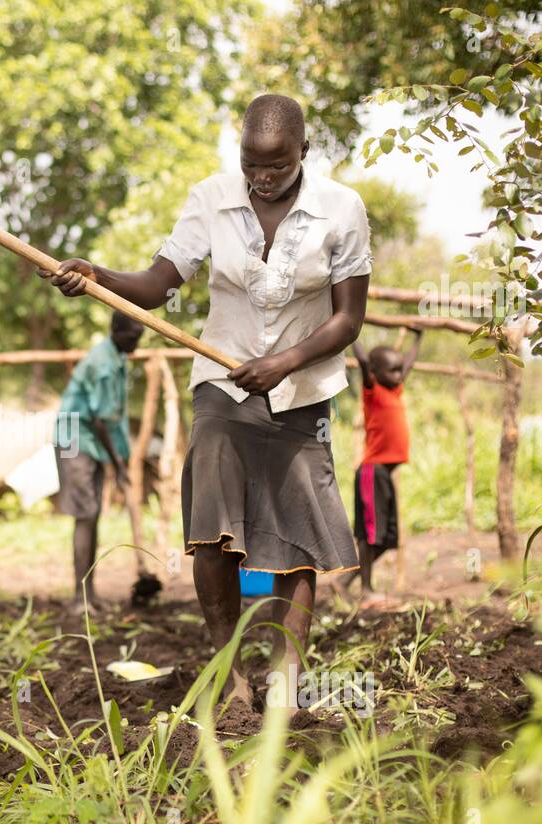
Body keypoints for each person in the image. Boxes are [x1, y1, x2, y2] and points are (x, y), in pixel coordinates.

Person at [37, 93, 372, 709]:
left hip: (303, 394)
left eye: (276, 166)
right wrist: (99, 277)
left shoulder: (342, 209)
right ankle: (229, 671)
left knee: (296, 536)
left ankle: (286, 680)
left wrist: (284, 363)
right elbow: (159, 285)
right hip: (224, 385)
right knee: (213, 528)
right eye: (251, 164)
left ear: (305, 151)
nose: (261, 178)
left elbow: (349, 320)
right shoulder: (211, 199)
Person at [53, 309, 144, 611]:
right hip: (72, 437)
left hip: (88, 437)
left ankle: (89, 594)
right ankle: (81, 599)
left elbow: (113, 417)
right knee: (85, 513)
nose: (137, 345)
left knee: (91, 515)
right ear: (116, 331)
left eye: (140, 338)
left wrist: (123, 459)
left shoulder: (118, 357)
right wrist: (117, 464)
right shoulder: (104, 364)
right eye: (132, 338)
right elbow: (103, 421)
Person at [347, 330, 422, 608]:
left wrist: (418, 339)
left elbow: (408, 365)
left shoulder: (395, 389)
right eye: (392, 370)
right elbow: (364, 362)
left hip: (385, 474)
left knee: (387, 537)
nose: (399, 375)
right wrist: (351, 328)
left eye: (399, 370)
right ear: (376, 372)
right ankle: (366, 589)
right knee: (369, 534)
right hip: (371, 471)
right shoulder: (373, 391)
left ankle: (346, 582)